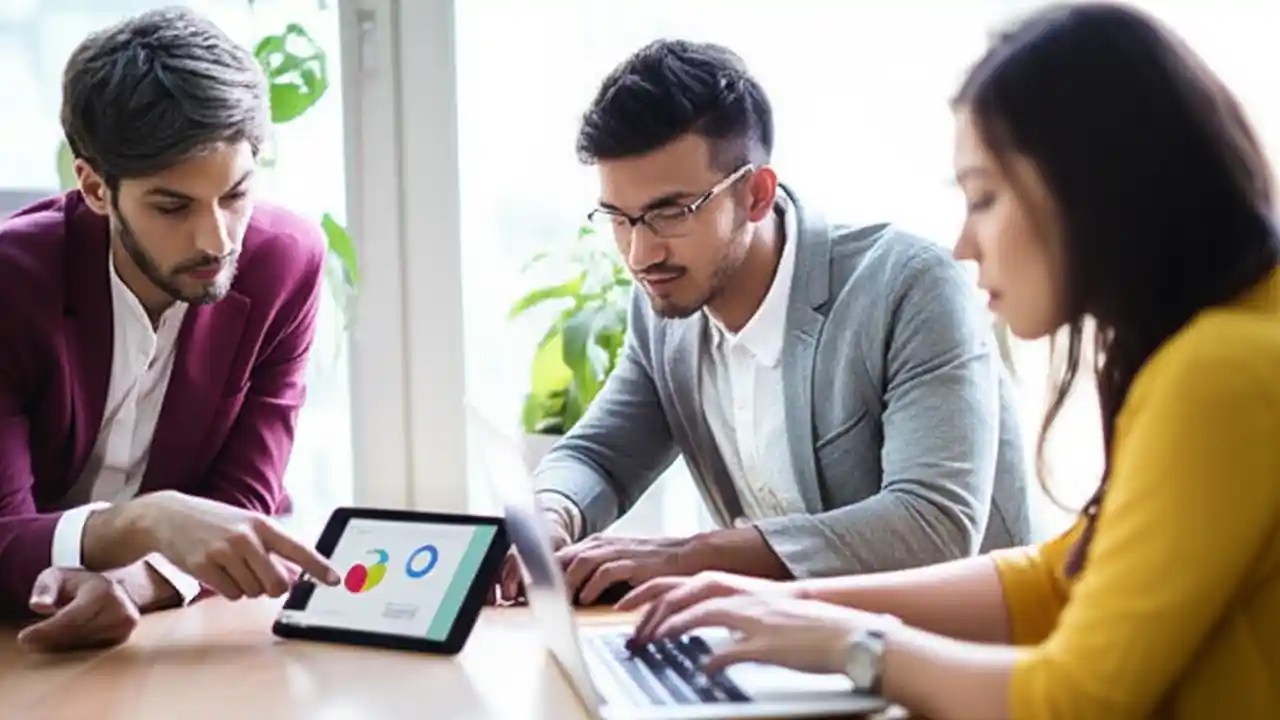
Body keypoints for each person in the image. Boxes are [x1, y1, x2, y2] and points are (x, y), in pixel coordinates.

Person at [618, 4, 1280, 719]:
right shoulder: (1227, 345)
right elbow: (1059, 581)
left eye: (986, 197)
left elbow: (1079, 698)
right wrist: (787, 603)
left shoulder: (1219, 375)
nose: (965, 244)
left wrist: (855, 643)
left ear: (1095, 188)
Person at [496, 39, 1032, 605]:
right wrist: (549, 519)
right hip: (790, 654)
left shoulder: (908, 286)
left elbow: (933, 525)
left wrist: (688, 557)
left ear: (755, 195)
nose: (640, 254)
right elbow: (597, 458)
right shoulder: (668, 311)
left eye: (671, 213)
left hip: (961, 657)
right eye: (620, 219)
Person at [0, 7, 341, 652]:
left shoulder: (282, 263)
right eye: (172, 206)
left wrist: (132, 581)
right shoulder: (13, 285)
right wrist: (144, 522)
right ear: (96, 187)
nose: (217, 239)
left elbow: (244, 501)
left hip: (171, 634)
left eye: (235, 195)